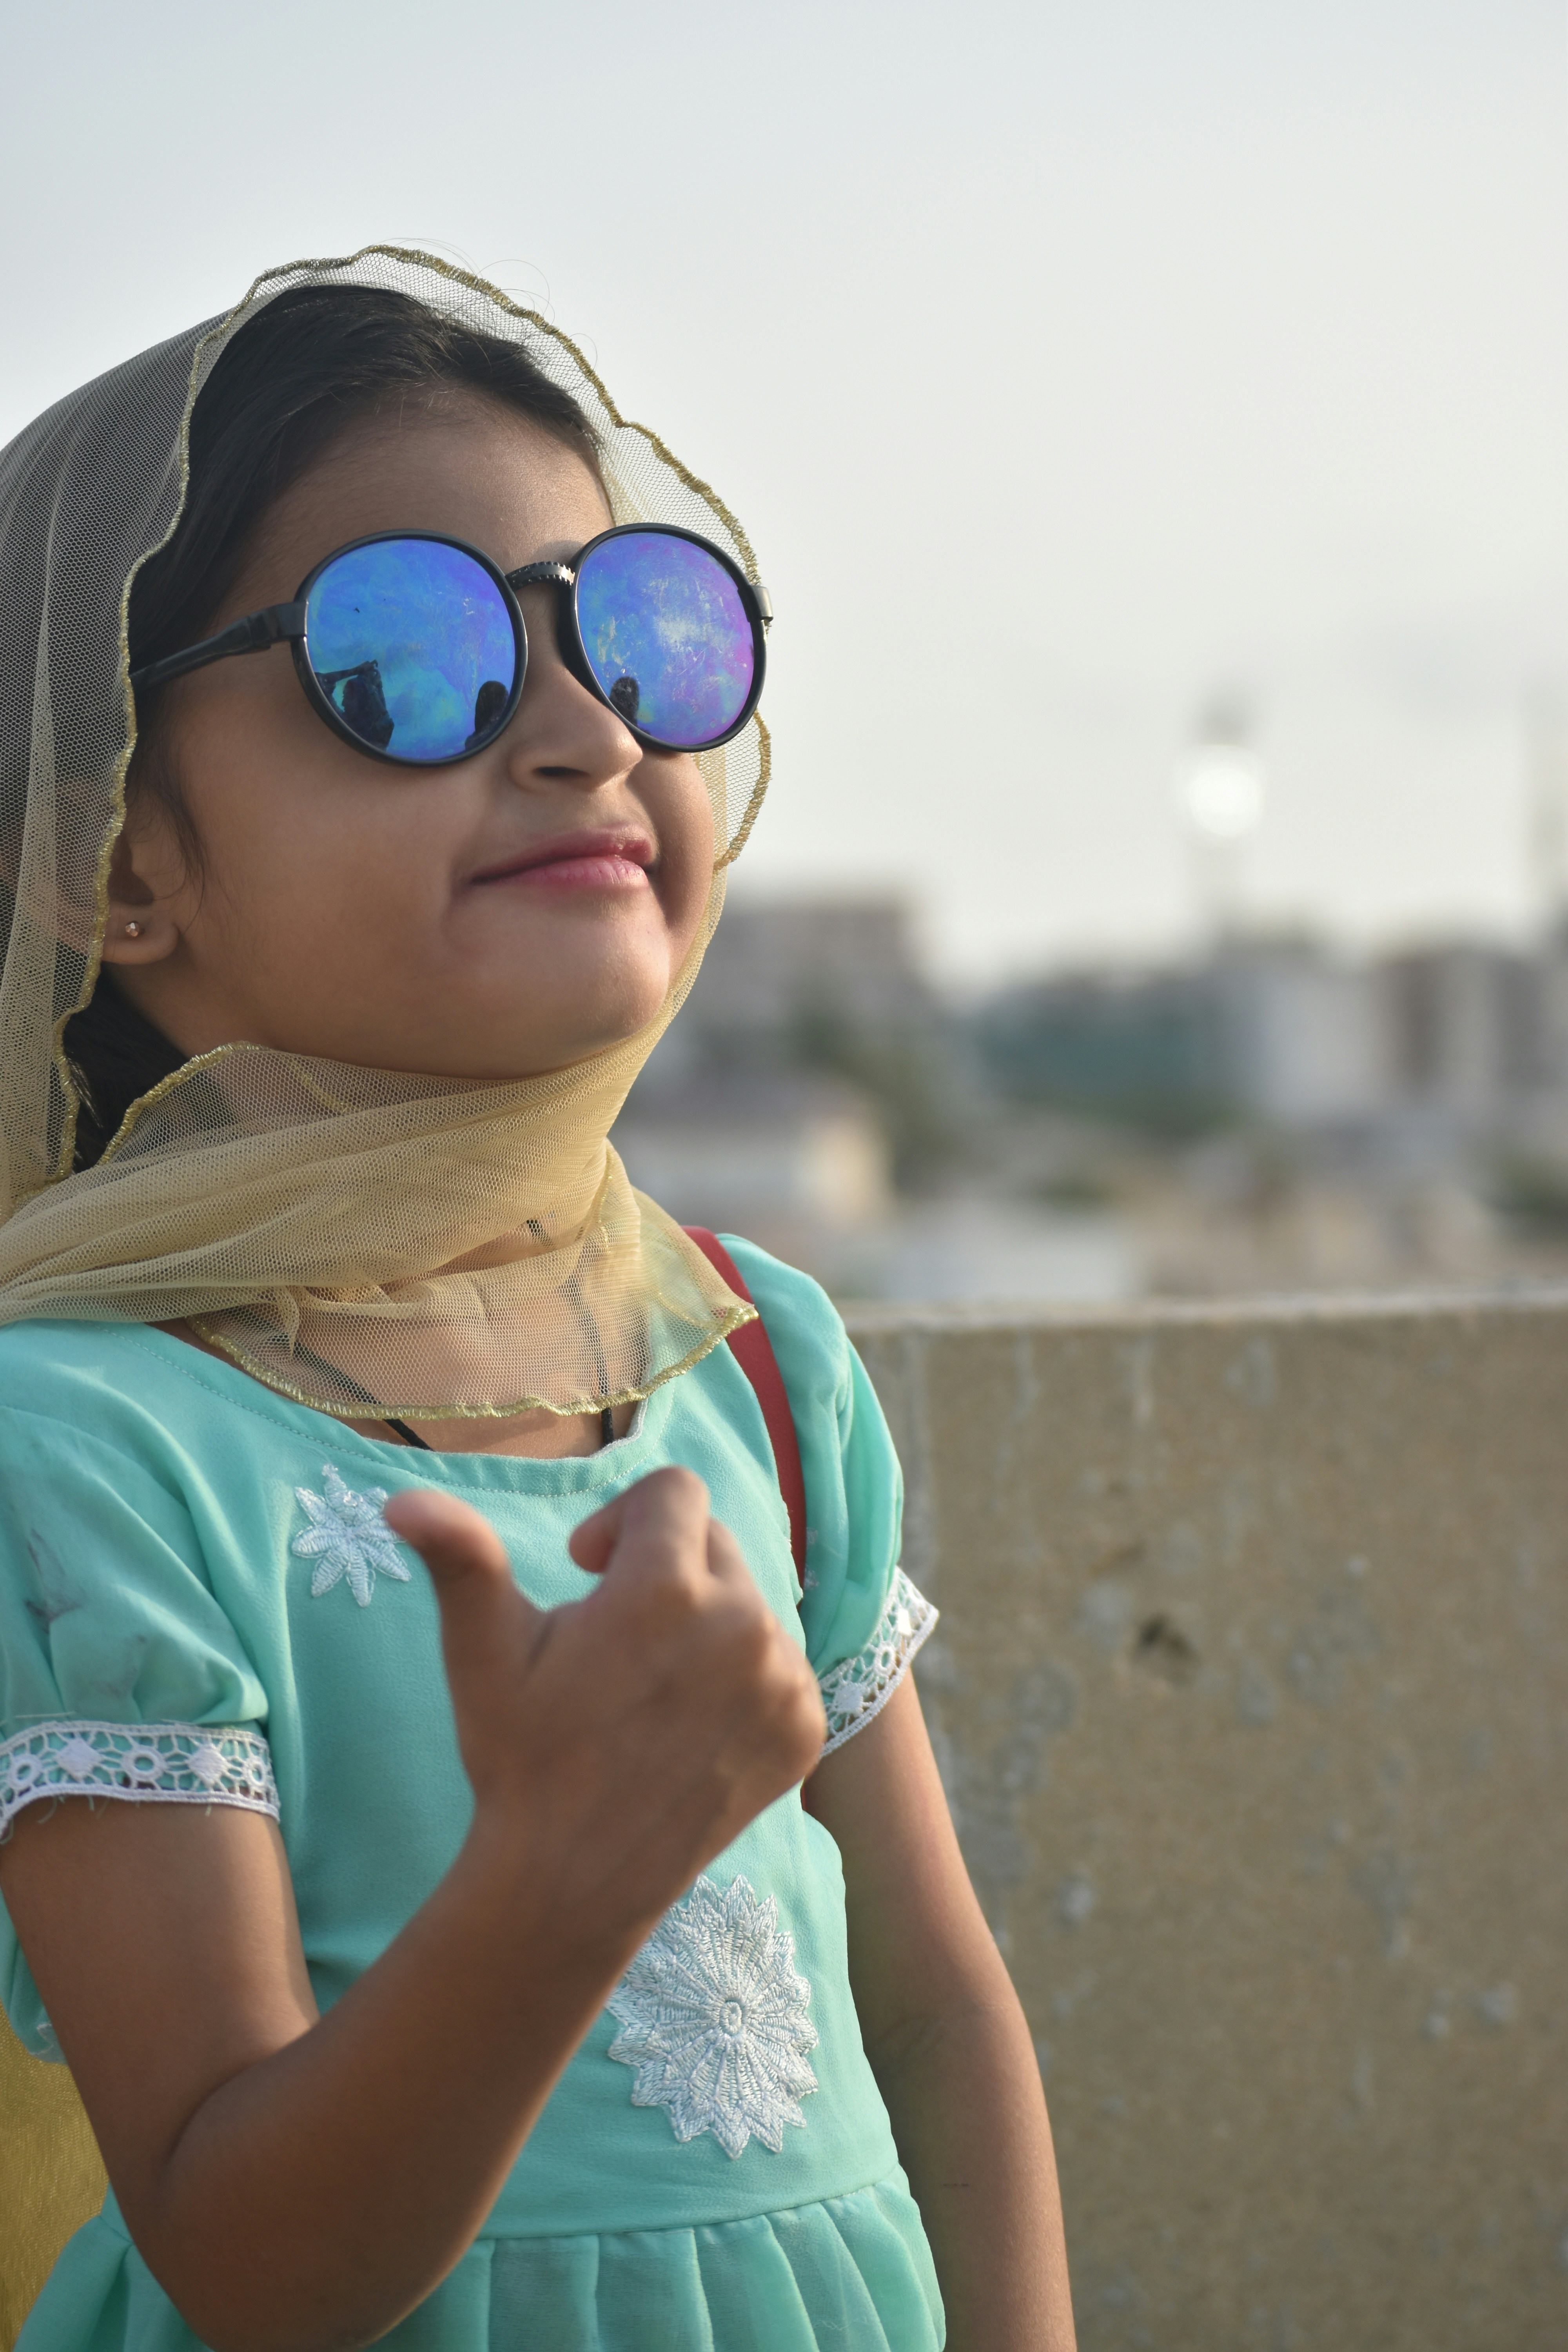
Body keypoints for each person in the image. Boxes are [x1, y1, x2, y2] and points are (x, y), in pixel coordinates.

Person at [0, 249, 1075, 2352]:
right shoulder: (81, 1439)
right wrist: (557, 1879)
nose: (587, 734)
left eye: (640, 638)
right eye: (403, 662)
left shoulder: (752, 1352)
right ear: (120, 858)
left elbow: (937, 2011)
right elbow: (248, 2256)